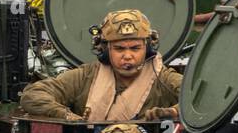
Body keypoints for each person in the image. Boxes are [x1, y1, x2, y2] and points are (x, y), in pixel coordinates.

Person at [19, 9, 181, 122]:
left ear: (148, 50)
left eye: (135, 48)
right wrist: (66, 116)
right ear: (104, 50)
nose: (127, 55)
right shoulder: (86, 76)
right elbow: (33, 95)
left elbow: (198, 100)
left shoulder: (163, 79)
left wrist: (173, 112)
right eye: (119, 49)